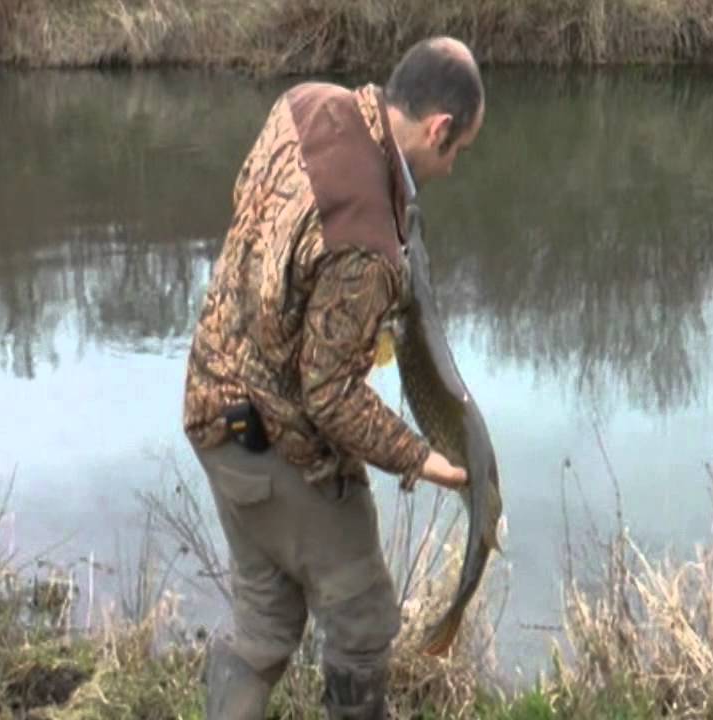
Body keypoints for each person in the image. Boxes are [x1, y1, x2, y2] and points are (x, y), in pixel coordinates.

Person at [180, 36, 484, 720]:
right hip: (277, 442)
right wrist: (421, 458)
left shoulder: (306, 102)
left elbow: (252, 213)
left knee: (264, 625)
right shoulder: (367, 243)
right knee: (364, 620)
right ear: (438, 128)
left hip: (212, 406)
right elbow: (331, 396)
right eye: (458, 149)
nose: (454, 166)